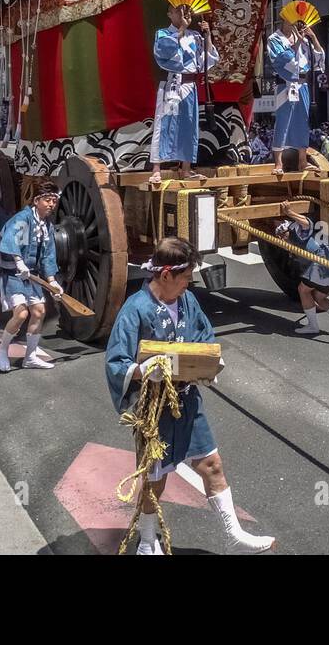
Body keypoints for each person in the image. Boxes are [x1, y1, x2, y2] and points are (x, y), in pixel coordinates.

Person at [105, 237, 275, 555]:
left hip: (187, 399)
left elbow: (203, 335)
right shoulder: (135, 310)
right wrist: (144, 370)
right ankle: (146, 539)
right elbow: (117, 363)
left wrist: (211, 363)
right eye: (185, 277)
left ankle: (233, 534)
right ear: (166, 273)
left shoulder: (187, 301)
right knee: (156, 479)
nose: (189, 284)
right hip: (154, 407)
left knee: (211, 464)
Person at [0, 182, 63, 372]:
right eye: (48, 200)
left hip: (31, 275)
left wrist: (52, 281)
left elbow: (48, 255)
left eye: (54, 201)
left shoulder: (46, 225)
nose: (51, 205)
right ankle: (2, 349)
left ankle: (30, 357)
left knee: (39, 312)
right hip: (14, 274)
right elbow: (12, 240)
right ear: (36, 201)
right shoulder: (24, 219)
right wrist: (19, 262)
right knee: (22, 313)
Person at [149, 2, 219, 185]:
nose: (182, 14)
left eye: (185, 11)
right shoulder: (163, 33)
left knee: (189, 126)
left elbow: (207, 59)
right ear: (169, 14)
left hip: (189, 85)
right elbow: (164, 52)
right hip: (172, 83)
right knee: (164, 124)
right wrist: (181, 30)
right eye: (178, 11)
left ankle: (186, 168)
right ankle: (156, 168)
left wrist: (208, 34)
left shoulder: (195, 36)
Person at [276, 201, 329, 336]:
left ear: (286, 230)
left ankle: (312, 326)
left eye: (281, 235)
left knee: (303, 290)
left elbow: (307, 223)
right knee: (318, 297)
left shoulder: (298, 230)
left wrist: (289, 213)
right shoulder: (293, 241)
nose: (281, 239)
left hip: (324, 260)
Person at [267, 8, 323, 176]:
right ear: (283, 20)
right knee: (282, 122)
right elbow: (280, 60)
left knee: (302, 123)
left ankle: (302, 161)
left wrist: (312, 37)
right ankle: (278, 162)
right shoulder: (274, 38)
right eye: (291, 19)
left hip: (303, 84)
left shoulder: (304, 39)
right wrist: (297, 43)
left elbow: (318, 59)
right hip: (285, 84)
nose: (294, 23)